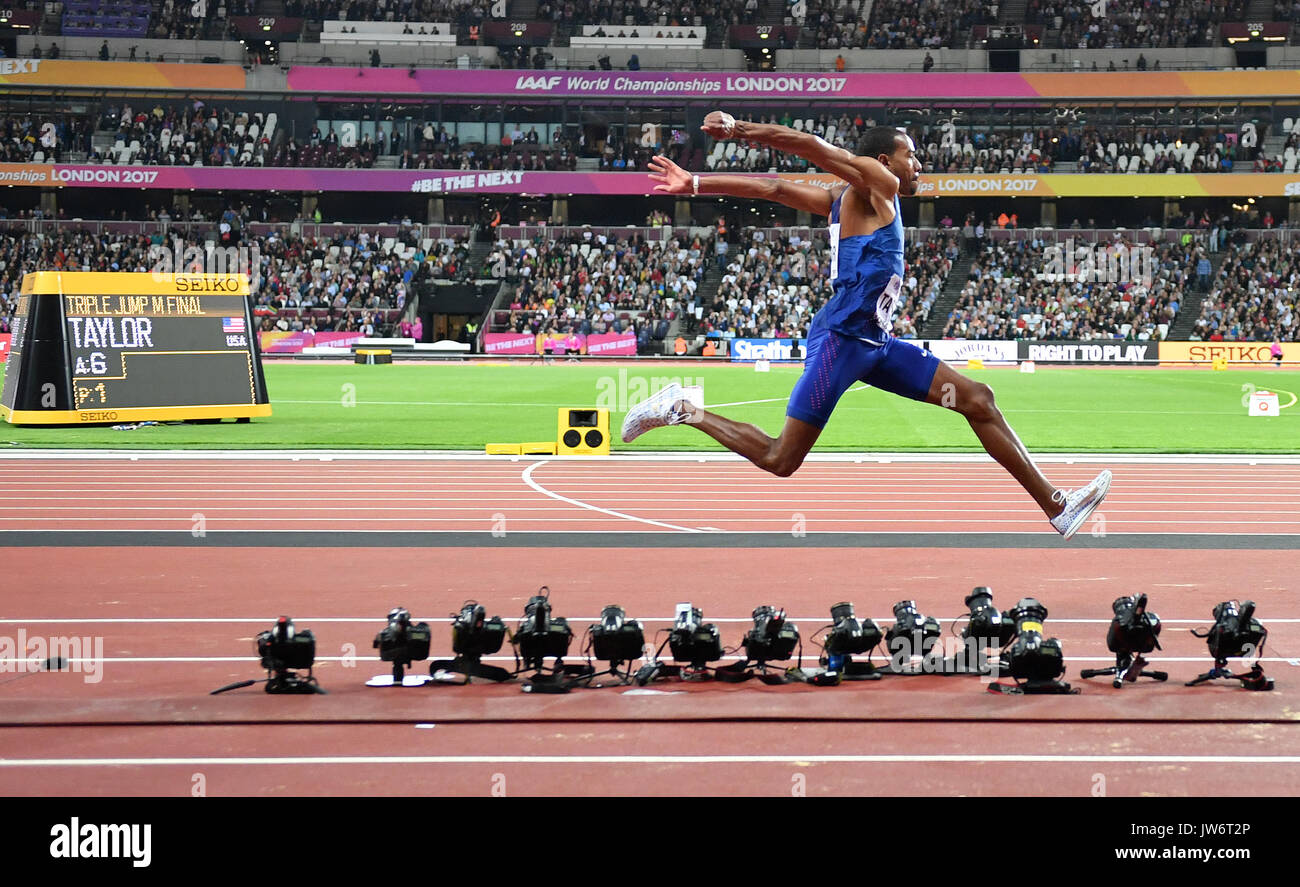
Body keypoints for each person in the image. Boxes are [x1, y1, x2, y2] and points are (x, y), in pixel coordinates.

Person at [627, 112, 1110, 539]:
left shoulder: (843, 198)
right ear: (883, 160)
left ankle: (1057, 507)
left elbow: (772, 189)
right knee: (781, 460)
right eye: (912, 156)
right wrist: (738, 130)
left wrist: (695, 184)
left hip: (874, 343)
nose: (918, 165)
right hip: (841, 340)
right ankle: (681, 408)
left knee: (978, 399)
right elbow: (811, 147)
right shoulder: (881, 183)